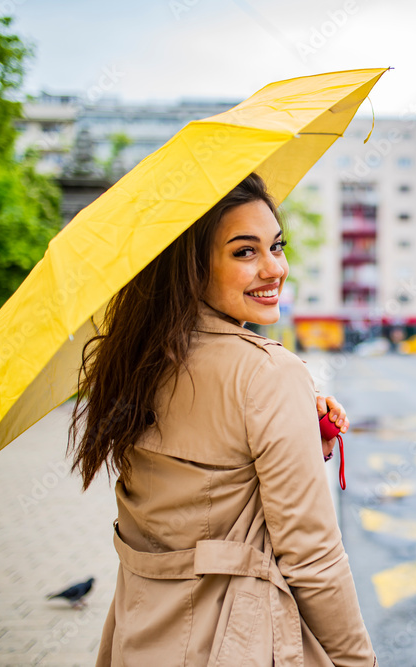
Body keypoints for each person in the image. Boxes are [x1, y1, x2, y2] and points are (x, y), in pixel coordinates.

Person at [69, 174, 376, 666]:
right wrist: (358, 662)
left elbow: (195, 501)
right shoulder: (268, 373)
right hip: (232, 642)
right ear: (191, 266)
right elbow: (312, 559)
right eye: (243, 252)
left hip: (138, 637)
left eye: (276, 246)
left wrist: (292, 429)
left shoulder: (133, 364)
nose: (274, 268)